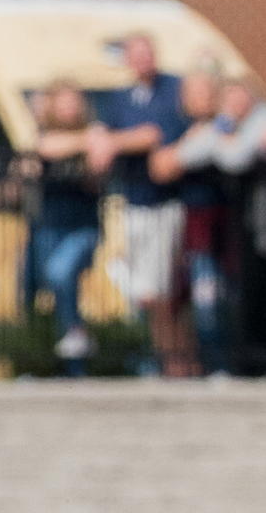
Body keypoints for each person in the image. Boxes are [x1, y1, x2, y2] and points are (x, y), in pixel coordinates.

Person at [87, 33, 190, 376]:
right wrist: (102, 141)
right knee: (144, 291)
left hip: (167, 203)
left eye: (148, 53)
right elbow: (102, 131)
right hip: (134, 202)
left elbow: (153, 134)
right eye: (136, 55)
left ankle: (180, 362)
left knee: (163, 289)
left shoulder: (173, 88)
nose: (143, 60)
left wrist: (113, 142)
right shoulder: (121, 97)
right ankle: (164, 357)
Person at [212, 76, 266, 374]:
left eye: (240, 96)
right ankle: (252, 362)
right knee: (250, 292)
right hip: (247, 223)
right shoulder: (228, 127)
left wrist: (221, 141)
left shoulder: (265, 120)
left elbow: (235, 158)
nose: (236, 104)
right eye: (230, 97)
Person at [148, 71, 233, 375]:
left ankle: (227, 363)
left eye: (207, 91)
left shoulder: (228, 123)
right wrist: (190, 146)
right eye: (195, 93)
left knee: (225, 295)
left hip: (228, 222)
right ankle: (206, 364)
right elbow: (160, 167)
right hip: (193, 224)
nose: (202, 98)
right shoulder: (178, 126)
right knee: (197, 295)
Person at [25, 82, 105, 376]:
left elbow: (100, 170)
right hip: (50, 225)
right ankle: (75, 367)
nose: (70, 107)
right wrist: (87, 140)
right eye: (64, 101)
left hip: (83, 226)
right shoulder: (52, 135)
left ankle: (77, 337)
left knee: (61, 271)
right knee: (60, 290)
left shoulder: (96, 132)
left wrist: (93, 147)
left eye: (75, 101)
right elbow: (44, 148)